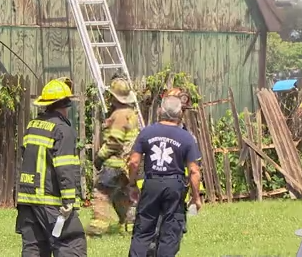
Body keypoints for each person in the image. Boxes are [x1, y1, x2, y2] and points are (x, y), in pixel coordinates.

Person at [16, 77, 87, 257]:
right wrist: (69, 201)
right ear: (65, 105)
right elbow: (65, 167)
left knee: (34, 249)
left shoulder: (32, 126)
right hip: (51, 203)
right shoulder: (62, 129)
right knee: (71, 243)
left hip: (28, 201)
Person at [127, 96, 202, 257]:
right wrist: (196, 198)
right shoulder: (186, 137)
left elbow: (133, 162)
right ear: (180, 114)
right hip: (174, 186)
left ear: (160, 111)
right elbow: (194, 171)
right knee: (170, 232)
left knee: (143, 230)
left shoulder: (147, 132)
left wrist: (132, 184)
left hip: (151, 184)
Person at [87, 77, 141, 236]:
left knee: (101, 193)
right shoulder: (132, 114)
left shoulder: (119, 115)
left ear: (114, 96)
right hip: (126, 164)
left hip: (113, 164)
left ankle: (98, 227)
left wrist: (99, 157)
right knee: (122, 196)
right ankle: (131, 226)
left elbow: (114, 142)